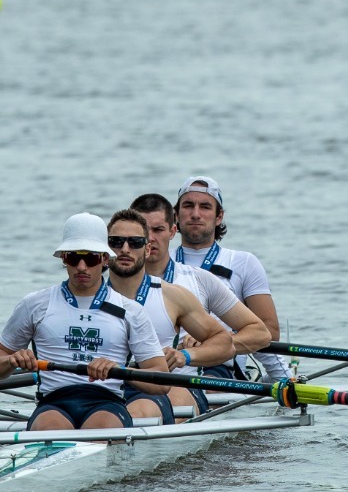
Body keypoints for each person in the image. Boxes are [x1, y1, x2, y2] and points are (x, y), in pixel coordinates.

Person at [0, 213, 171, 431]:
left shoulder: (130, 311)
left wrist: (119, 370)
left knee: (100, 429)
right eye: (74, 258)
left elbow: (162, 382)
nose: (82, 267)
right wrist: (11, 360)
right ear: (64, 258)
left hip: (107, 403)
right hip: (54, 403)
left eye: (91, 258)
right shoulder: (35, 304)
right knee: (49, 429)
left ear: (104, 259)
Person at [103, 208, 261, 422]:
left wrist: (184, 356)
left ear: (147, 248)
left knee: (138, 412)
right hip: (108, 388)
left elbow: (232, 341)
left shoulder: (177, 293)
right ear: (104, 250)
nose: (124, 249)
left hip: (171, 386)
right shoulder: (87, 297)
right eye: (116, 241)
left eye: (135, 242)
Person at [125, 193, 272, 380]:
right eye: (143, 232)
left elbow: (261, 334)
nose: (150, 238)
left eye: (158, 230)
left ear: (172, 231)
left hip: (194, 382)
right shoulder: (114, 283)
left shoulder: (199, 279)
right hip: (133, 380)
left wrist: (208, 345)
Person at [168, 177, 289, 380]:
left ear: (219, 217)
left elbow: (270, 332)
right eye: (188, 206)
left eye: (205, 207)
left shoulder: (243, 262)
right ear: (176, 216)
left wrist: (213, 344)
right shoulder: (160, 260)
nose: (196, 214)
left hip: (220, 367)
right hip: (166, 362)